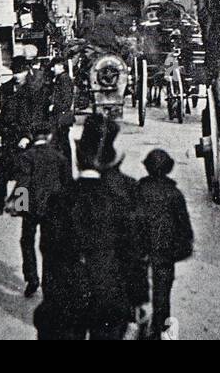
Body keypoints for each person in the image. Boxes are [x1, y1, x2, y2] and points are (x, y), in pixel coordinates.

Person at [34, 114, 149, 340]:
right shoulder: (121, 201)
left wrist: (50, 301)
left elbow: (48, 253)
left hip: (67, 297)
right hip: (110, 297)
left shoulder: (59, 200)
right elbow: (134, 255)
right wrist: (138, 300)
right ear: (112, 161)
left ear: (77, 158)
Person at [134, 148, 194, 339]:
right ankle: (160, 328)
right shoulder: (174, 194)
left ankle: (140, 322)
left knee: (139, 286)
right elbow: (183, 224)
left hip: (142, 248)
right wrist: (183, 246)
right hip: (165, 250)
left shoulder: (138, 189)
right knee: (162, 292)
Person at [14, 128, 70, 297]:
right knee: (50, 244)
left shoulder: (26, 157)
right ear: (49, 136)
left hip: (31, 208)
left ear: (32, 137)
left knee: (27, 241)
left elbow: (22, 184)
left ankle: (32, 278)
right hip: (53, 208)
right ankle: (50, 282)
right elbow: (67, 185)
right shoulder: (59, 157)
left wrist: (20, 207)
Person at [0, 57, 41, 215]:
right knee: (1, 172)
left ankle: (21, 206)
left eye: (21, 72)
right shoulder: (6, 89)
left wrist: (28, 136)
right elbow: (2, 115)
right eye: (15, 72)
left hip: (24, 137)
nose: (17, 75)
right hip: (8, 136)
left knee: (23, 174)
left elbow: (36, 117)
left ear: (27, 71)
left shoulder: (34, 91)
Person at [45, 55, 75, 142]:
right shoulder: (61, 78)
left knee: (62, 141)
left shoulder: (64, 79)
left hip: (62, 116)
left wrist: (54, 107)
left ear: (61, 66)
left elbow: (66, 99)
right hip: (61, 116)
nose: (52, 69)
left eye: (53, 66)